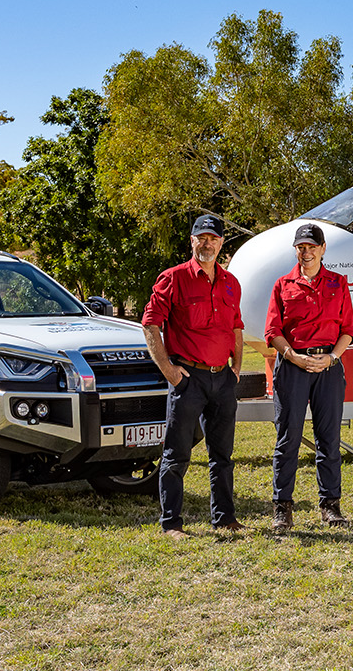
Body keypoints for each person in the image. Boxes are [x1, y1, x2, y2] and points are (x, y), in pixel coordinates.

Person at [141, 214, 246, 539]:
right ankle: (172, 524)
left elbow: (236, 326)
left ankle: (224, 518)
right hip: (189, 380)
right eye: (201, 238)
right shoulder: (173, 279)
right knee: (177, 455)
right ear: (191, 241)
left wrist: (236, 369)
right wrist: (171, 373)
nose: (207, 244)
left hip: (222, 380)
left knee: (222, 456)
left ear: (221, 243)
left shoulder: (231, 282)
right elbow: (151, 324)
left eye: (213, 238)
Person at [264, 223, 353, 529]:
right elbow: (273, 331)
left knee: (329, 438)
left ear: (322, 248)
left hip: (328, 366)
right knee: (288, 438)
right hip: (293, 365)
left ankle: (330, 505)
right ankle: (282, 507)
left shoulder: (338, 283)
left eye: (311, 247)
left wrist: (330, 357)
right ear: (296, 250)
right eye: (301, 247)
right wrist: (293, 357)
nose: (306, 252)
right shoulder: (282, 285)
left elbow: (348, 331)